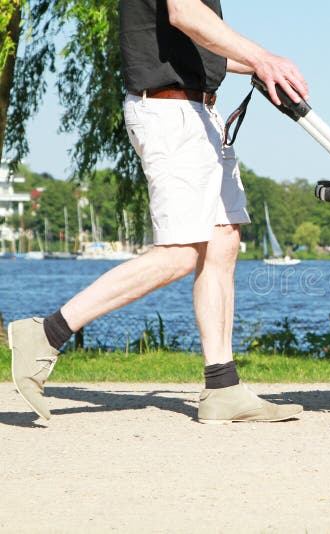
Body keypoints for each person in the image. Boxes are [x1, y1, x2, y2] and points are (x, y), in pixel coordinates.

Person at [8, 0, 308, 424]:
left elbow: (197, 44)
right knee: (181, 253)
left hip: (200, 112)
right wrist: (262, 57)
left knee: (223, 240)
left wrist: (262, 67)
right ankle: (45, 333)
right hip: (171, 114)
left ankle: (223, 388)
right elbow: (186, 14)